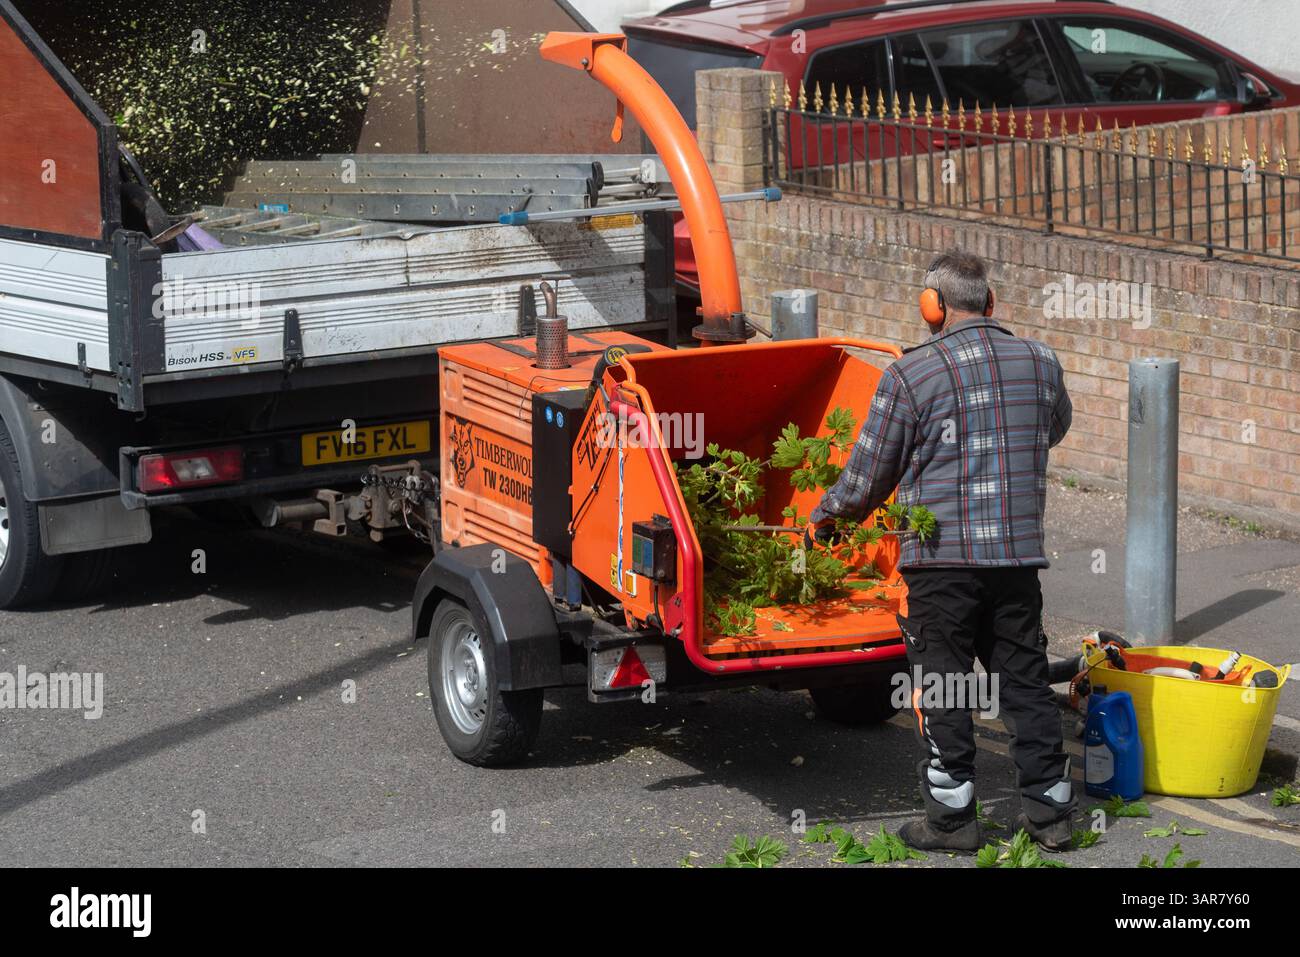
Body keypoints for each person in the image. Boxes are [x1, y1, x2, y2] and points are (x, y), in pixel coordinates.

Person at [808, 250, 1076, 852]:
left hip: (941, 566)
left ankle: (952, 822)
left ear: (931, 307)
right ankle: (1051, 816)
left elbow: (870, 473)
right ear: (991, 302)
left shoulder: (911, 374)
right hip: (1016, 560)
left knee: (947, 688)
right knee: (1024, 684)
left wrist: (825, 516)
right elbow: (1051, 429)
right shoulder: (1040, 360)